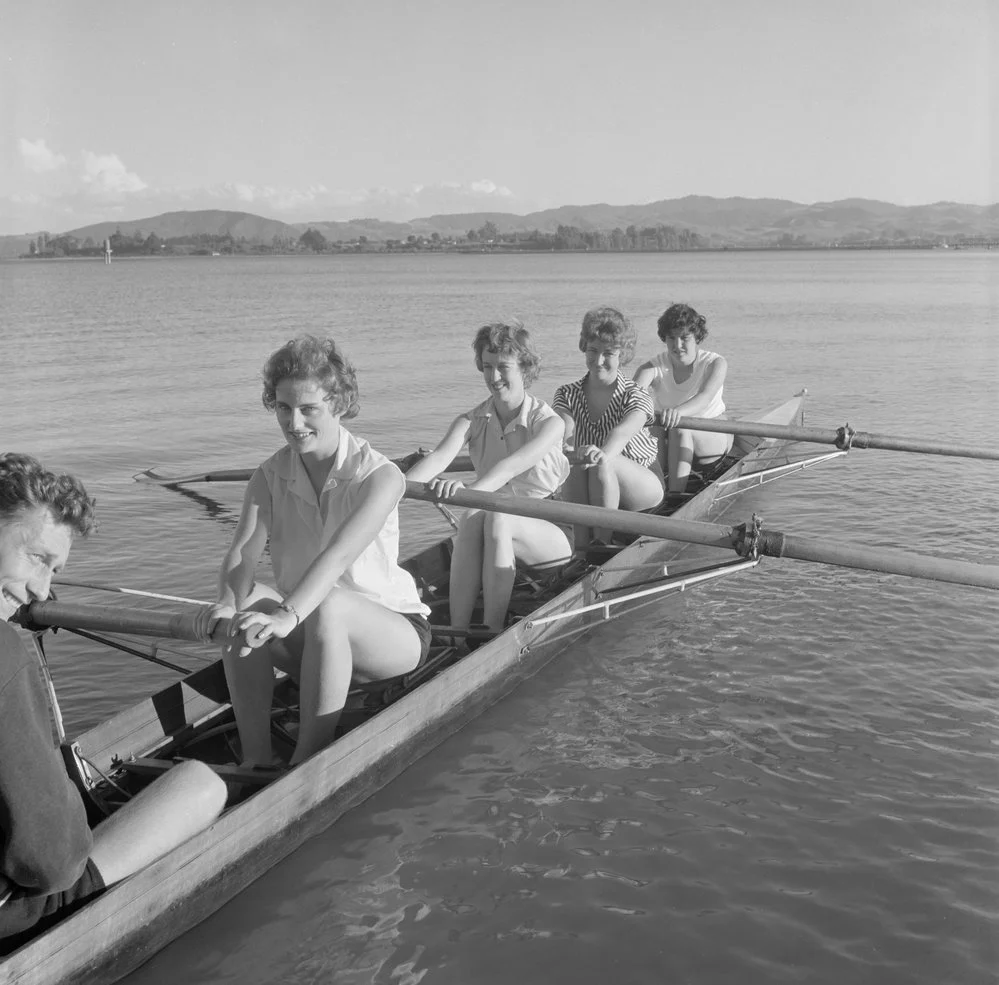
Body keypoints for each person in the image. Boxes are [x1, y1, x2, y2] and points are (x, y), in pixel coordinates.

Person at [0, 453, 226, 953]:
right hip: (13, 916)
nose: (41, 589)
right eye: (37, 558)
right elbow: (54, 863)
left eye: (54, 571)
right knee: (202, 785)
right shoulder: (2, 652)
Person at [208, 336, 432, 770]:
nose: (294, 423)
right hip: (310, 629)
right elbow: (242, 555)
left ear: (340, 404)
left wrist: (285, 615)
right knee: (244, 604)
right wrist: (224, 603)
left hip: (394, 637)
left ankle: (305, 762)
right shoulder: (268, 475)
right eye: (283, 408)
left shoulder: (381, 477)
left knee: (329, 605)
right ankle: (255, 760)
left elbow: (337, 558)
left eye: (309, 409)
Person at [406, 320, 571, 634]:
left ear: (524, 367)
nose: (494, 377)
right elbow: (439, 459)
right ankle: (457, 635)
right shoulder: (471, 420)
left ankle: (489, 633)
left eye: (503, 367)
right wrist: (394, 493)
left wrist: (466, 492)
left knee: (491, 515)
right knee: (478, 515)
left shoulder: (549, 423)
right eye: (486, 367)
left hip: (553, 530)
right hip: (497, 516)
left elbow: (510, 467)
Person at [552, 307, 663, 546]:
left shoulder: (636, 395)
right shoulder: (566, 394)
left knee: (602, 461)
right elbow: (564, 430)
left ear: (622, 355)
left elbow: (622, 433)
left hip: (640, 485)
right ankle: (581, 549)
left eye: (608, 353)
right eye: (593, 350)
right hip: (587, 475)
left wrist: (601, 453)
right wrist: (568, 448)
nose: (599, 361)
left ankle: (601, 545)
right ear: (584, 347)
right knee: (573, 460)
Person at [633, 303, 732, 494]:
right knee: (650, 425)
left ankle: (674, 497)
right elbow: (632, 399)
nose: (677, 346)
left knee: (680, 426)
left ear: (697, 338)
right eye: (671, 338)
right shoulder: (651, 368)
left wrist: (675, 413)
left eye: (684, 338)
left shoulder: (715, 363)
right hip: (670, 437)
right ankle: (656, 487)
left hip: (711, 437)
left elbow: (704, 398)